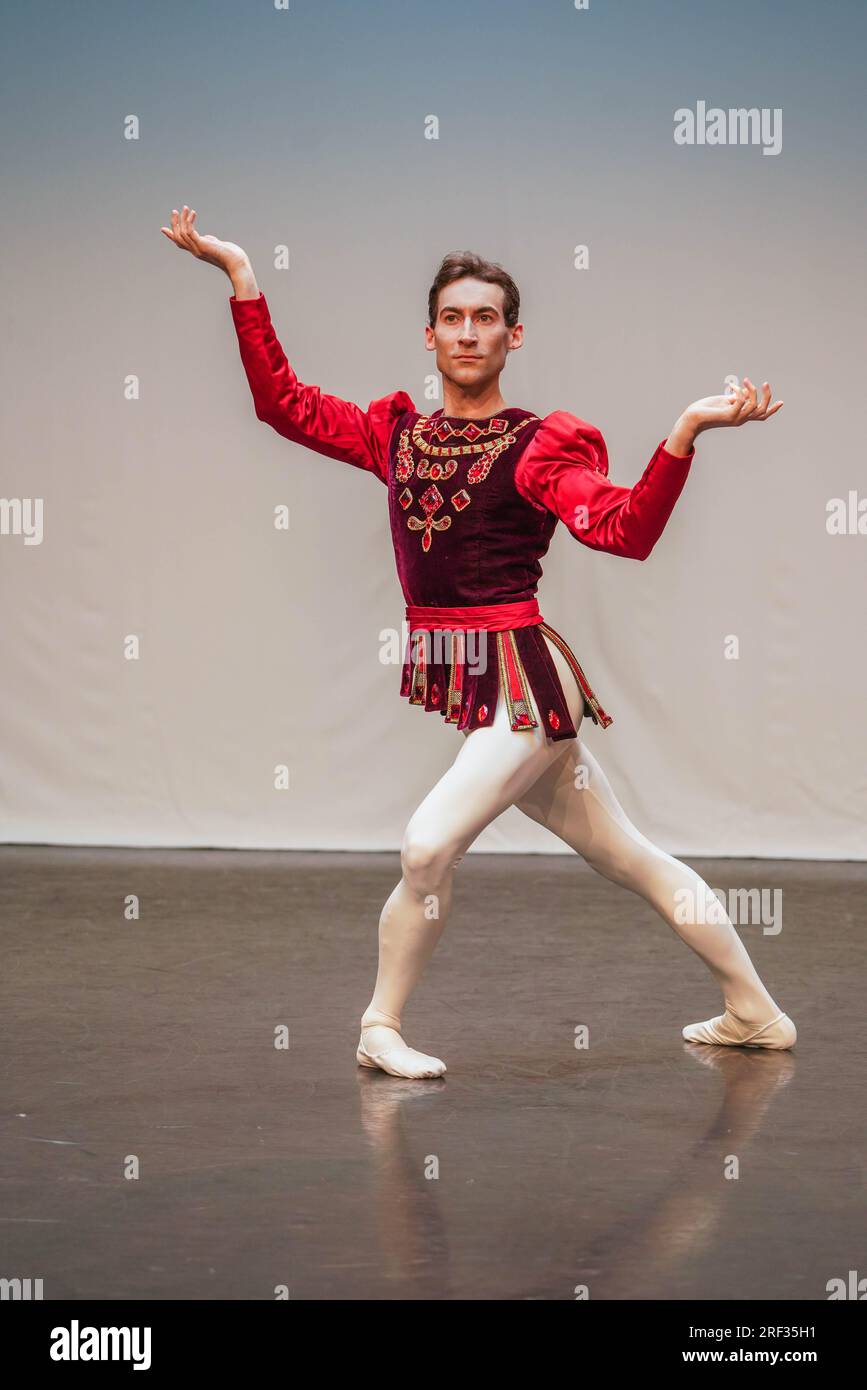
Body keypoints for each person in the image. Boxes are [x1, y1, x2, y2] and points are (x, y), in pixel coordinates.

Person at [160, 206, 796, 1078]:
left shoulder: (537, 448)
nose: (468, 333)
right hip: (485, 685)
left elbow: (624, 529)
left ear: (513, 335)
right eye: (452, 318)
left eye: (485, 318)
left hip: (529, 682)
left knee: (425, 845)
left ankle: (377, 1026)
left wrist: (681, 434)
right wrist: (241, 277)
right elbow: (284, 406)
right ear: (429, 336)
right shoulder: (398, 435)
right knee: (632, 858)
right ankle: (755, 1010)